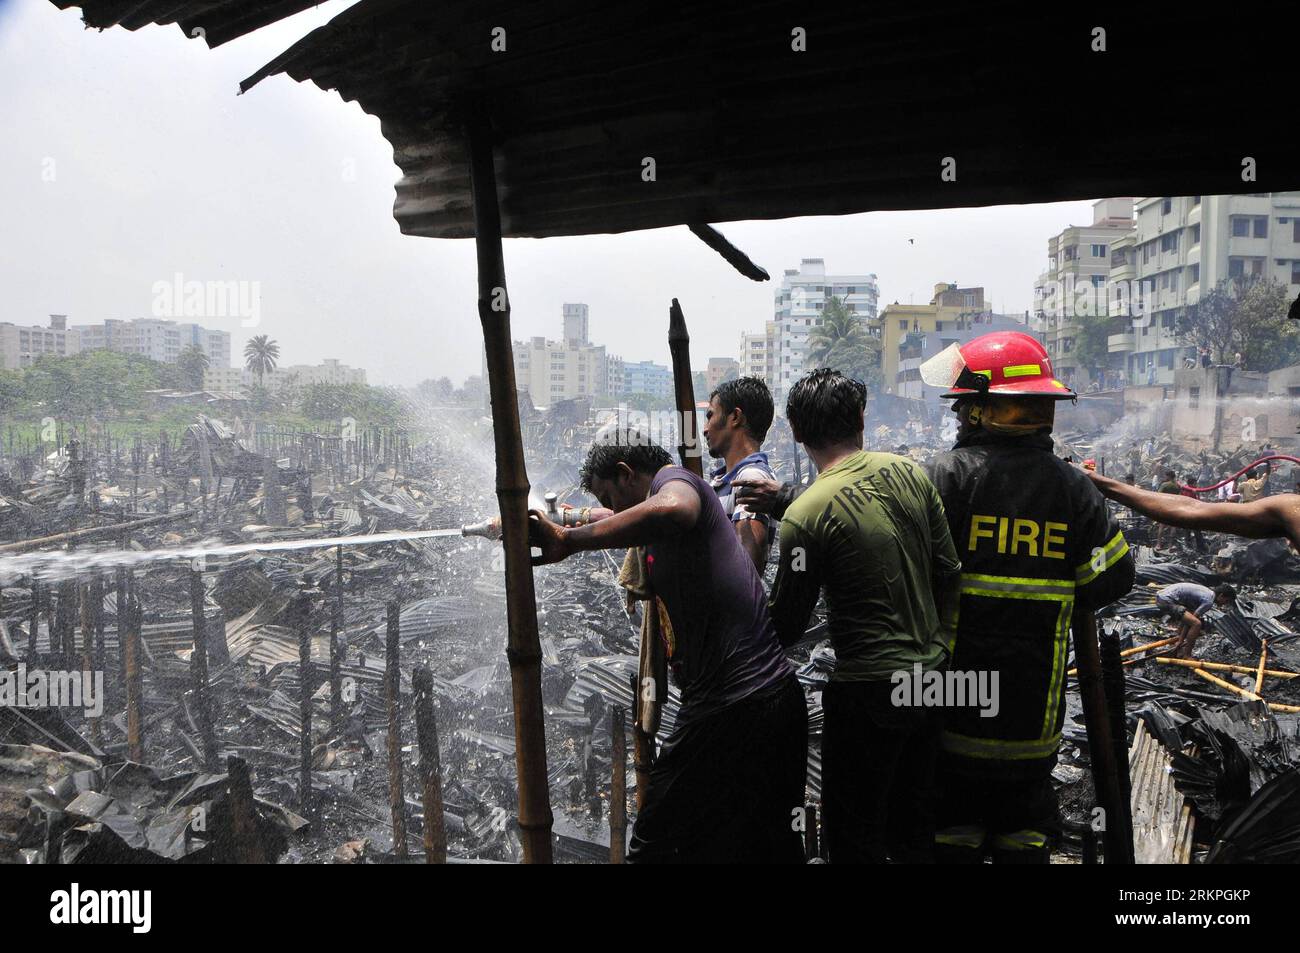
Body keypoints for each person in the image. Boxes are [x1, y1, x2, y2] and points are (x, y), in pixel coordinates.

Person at [528, 430, 807, 863]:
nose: (619, 513)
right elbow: (623, 514)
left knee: (655, 841)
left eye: (612, 496)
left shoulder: (676, 483)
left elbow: (674, 508)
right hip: (767, 700)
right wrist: (570, 519)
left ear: (626, 473)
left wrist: (569, 542)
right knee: (756, 843)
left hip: (733, 705)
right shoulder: (664, 498)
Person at [919, 331, 1135, 864]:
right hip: (1032, 723)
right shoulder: (1073, 490)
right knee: (1024, 837)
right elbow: (1112, 578)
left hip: (950, 714)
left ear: (977, 412)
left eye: (963, 406)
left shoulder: (942, 480)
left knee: (952, 834)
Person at [764, 369, 961, 863]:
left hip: (869, 691)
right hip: (933, 681)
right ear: (860, 418)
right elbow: (949, 571)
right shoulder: (912, 473)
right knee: (915, 831)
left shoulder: (804, 515)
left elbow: (787, 625)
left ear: (796, 431)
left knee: (855, 837)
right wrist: (944, 649)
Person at [1085, 468, 1300, 550]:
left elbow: (1192, 508)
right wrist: (1098, 481)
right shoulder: (1291, 508)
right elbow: (1192, 509)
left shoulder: (1292, 509)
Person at [701, 376, 778, 572]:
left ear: (735, 417)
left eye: (710, 416)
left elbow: (748, 568)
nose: (705, 429)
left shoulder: (751, 477)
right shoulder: (727, 480)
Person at [1154, 582, 1237, 658]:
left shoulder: (1207, 593)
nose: (1224, 604)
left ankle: (1178, 646)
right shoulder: (1208, 601)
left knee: (1189, 619)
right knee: (1197, 624)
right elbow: (1192, 623)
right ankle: (1187, 655)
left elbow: (1187, 620)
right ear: (1221, 595)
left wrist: (1181, 640)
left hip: (1161, 597)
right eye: (1226, 600)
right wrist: (1181, 640)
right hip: (1167, 600)